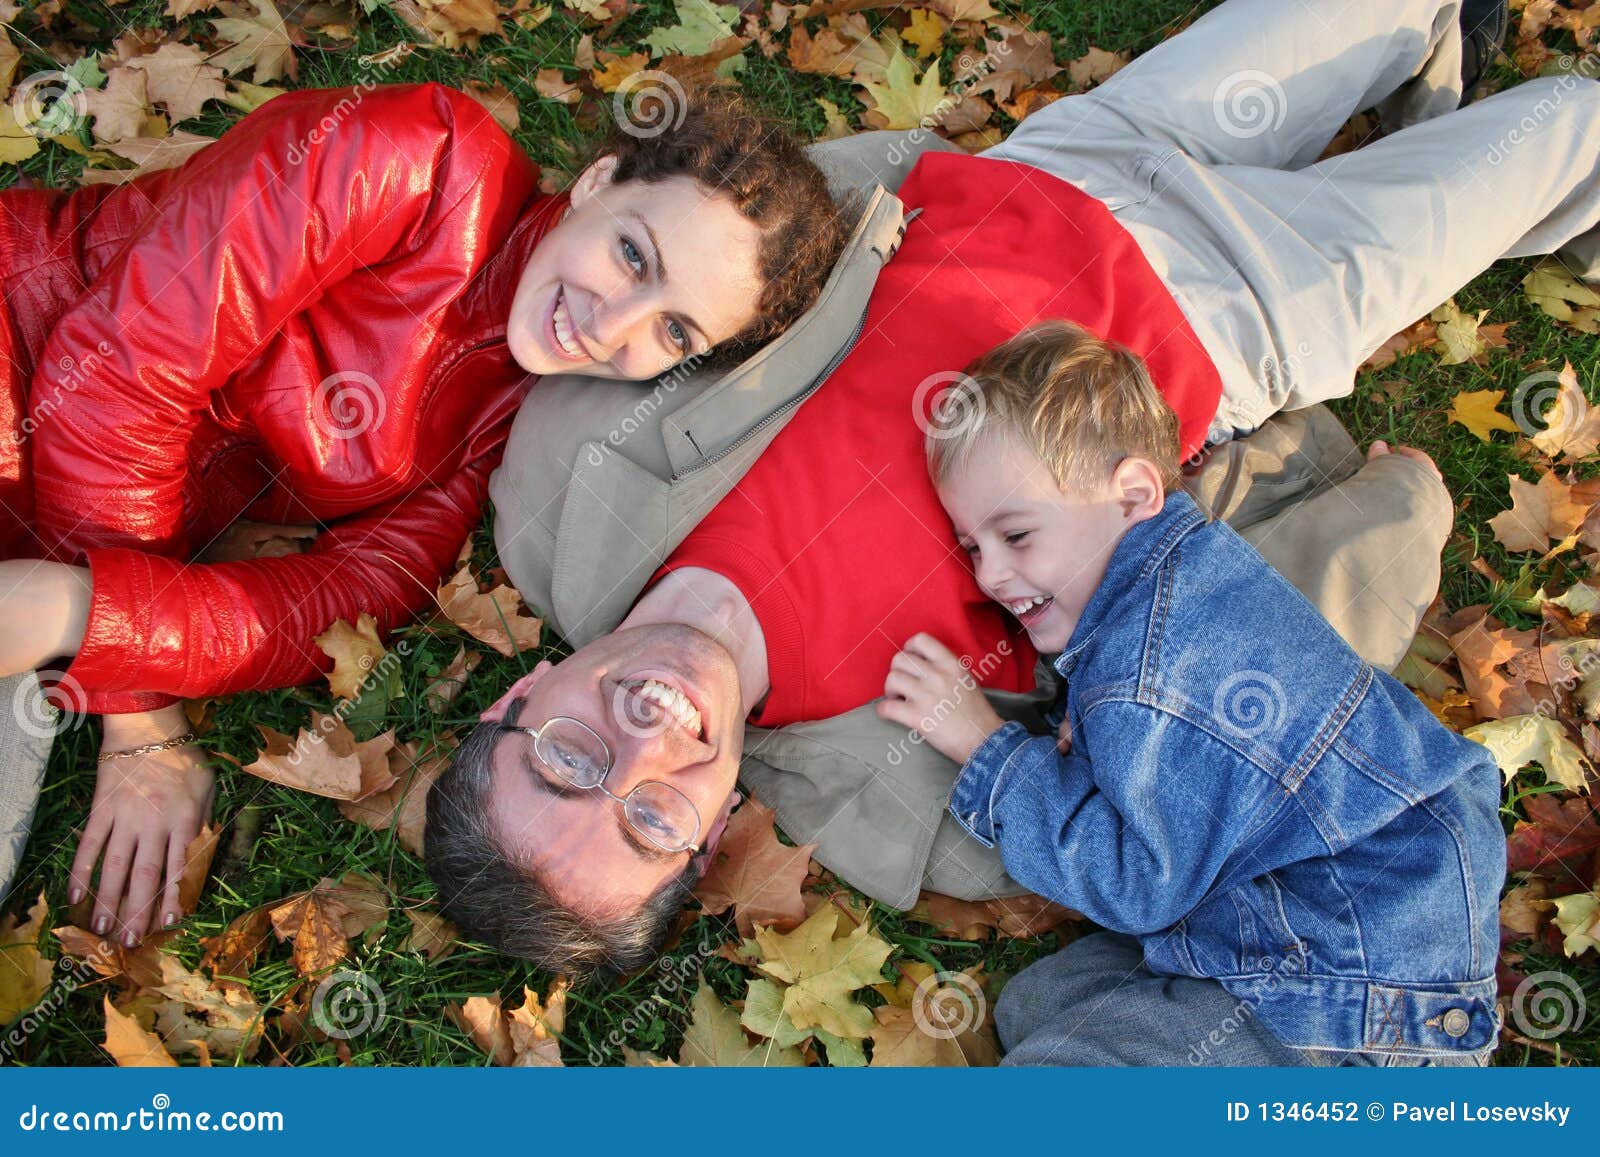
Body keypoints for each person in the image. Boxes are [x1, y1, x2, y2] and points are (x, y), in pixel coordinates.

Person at [433, 0, 1598, 978]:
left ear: (515, 699)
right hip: (1233, 312)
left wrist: (907, 174)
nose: (639, 749)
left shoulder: (558, 482)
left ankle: (1422, 47)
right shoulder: (930, 801)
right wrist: (1387, 520)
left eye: (569, 763)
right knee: (1568, 124)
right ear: (698, 851)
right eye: (646, 821)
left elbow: (714, 249)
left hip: (1053, 168)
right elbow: (1221, 710)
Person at [0, 80, 847, 941]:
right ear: (598, 181)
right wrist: (138, 709)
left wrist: (79, 609)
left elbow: (356, 594)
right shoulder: (419, 160)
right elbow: (111, 378)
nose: (613, 324)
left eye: (673, 332)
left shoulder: (511, 418)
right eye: (633, 255)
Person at [881, 321, 1504, 1066]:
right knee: (1039, 1006)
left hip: (1352, 985)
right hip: (1343, 913)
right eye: (973, 546)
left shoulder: (1147, 681)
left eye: (1015, 535)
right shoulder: (1185, 574)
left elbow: (1136, 888)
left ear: (1134, 493)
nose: (988, 576)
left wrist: (987, 751)